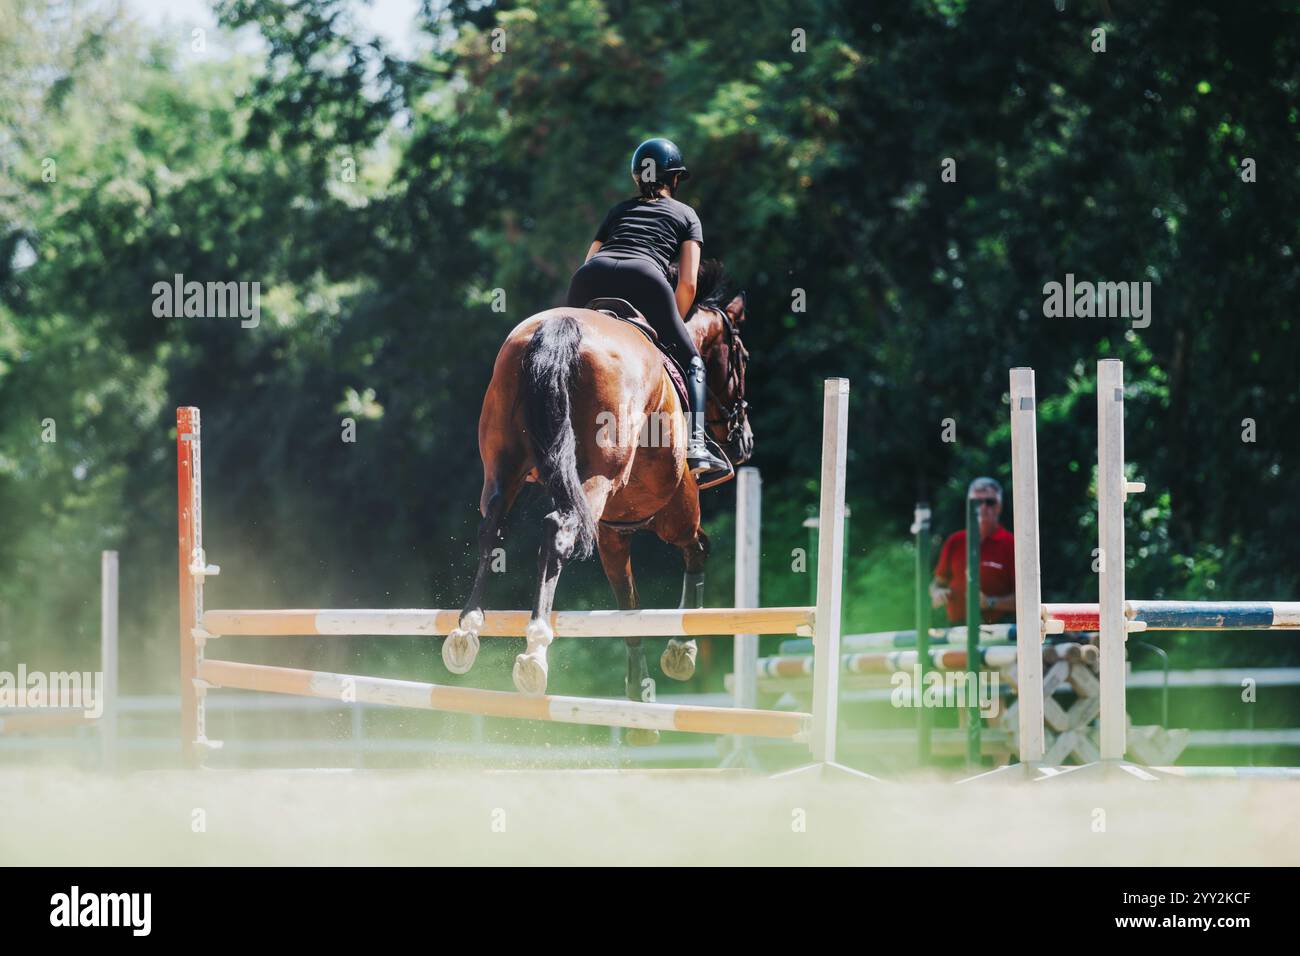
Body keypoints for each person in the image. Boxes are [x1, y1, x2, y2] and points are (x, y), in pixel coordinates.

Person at [566, 137, 730, 484]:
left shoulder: (618, 211)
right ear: (674, 179)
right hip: (644, 278)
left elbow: (589, 259)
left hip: (589, 278)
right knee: (695, 363)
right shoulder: (686, 215)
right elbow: (687, 285)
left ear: (637, 178)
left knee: (567, 355)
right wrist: (673, 325)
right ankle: (697, 445)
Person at [929, 477, 1016, 625]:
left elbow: (1026, 599)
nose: (982, 507)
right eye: (976, 503)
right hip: (957, 630)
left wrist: (989, 602)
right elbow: (937, 584)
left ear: (999, 506)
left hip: (1000, 631)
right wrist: (937, 593)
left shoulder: (1012, 543)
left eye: (989, 502)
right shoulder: (955, 541)